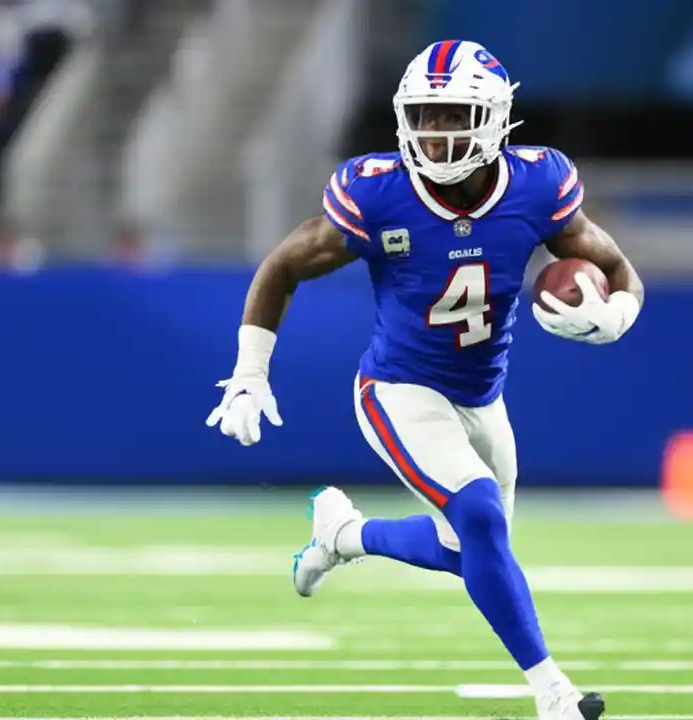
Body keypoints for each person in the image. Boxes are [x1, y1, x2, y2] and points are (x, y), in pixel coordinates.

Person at [205, 40, 642, 720]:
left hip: (481, 399)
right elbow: (284, 265)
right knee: (479, 521)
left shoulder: (537, 185)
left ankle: (343, 537)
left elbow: (618, 268)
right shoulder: (378, 192)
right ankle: (553, 693)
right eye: (425, 116)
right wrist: (248, 372)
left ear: (495, 117)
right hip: (398, 390)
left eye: (453, 114)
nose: (436, 133)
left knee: (466, 551)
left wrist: (617, 314)